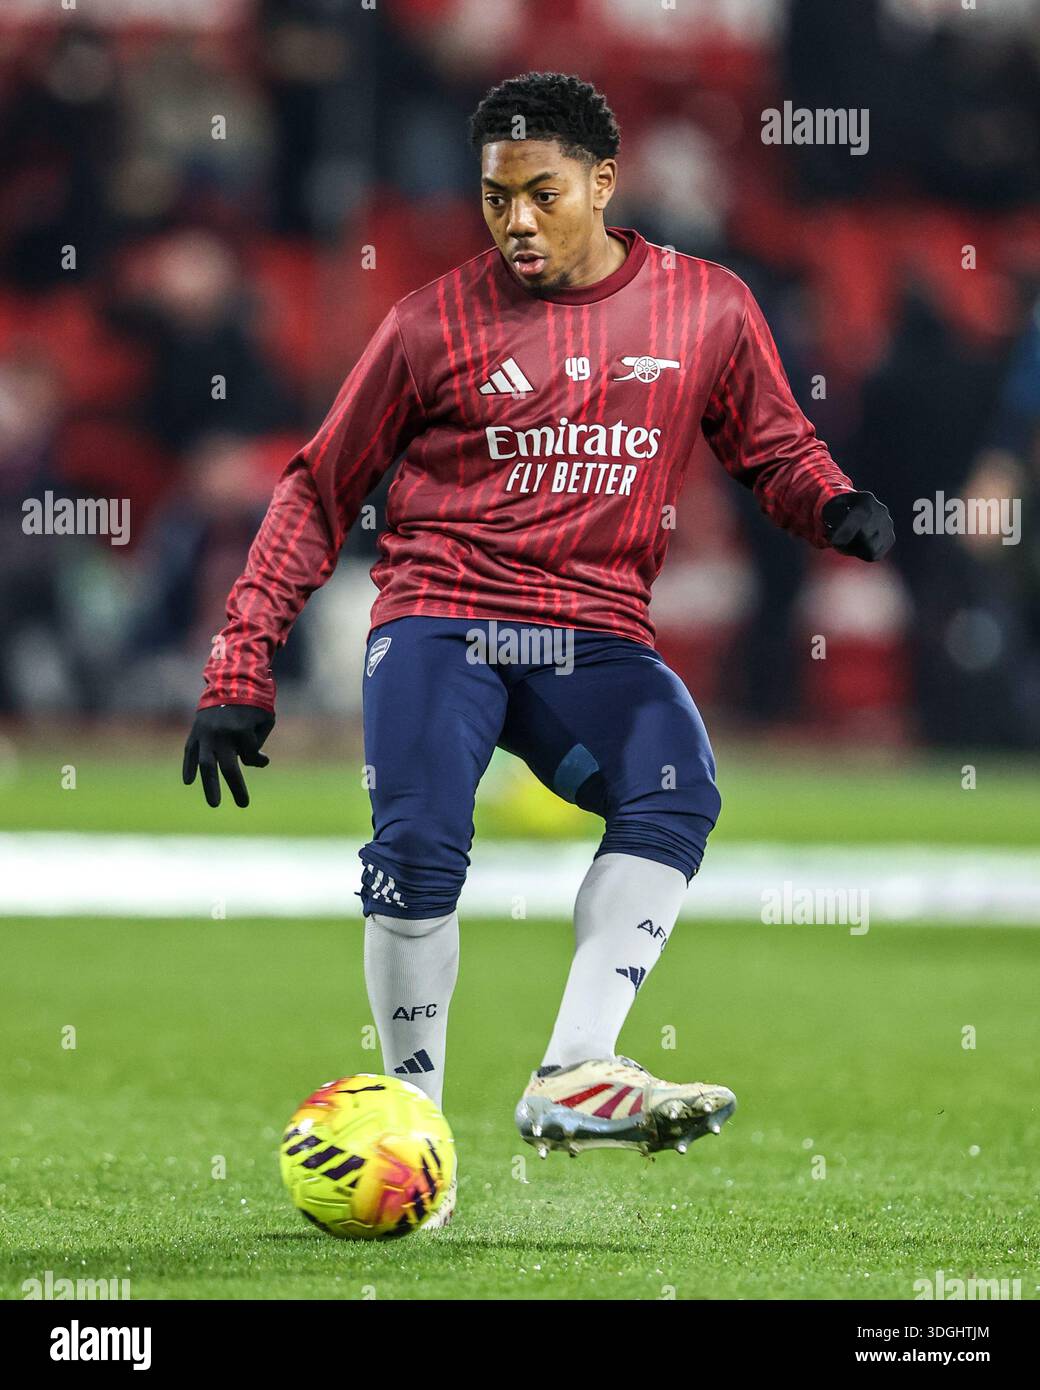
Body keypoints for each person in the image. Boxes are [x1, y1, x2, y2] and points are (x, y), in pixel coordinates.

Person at [182, 72, 894, 1227]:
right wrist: (239, 662)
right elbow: (318, 488)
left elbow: (772, 443)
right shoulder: (427, 323)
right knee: (416, 851)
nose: (514, 220)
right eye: (494, 196)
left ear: (604, 186)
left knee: (676, 790)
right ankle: (414, 1126)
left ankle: (573, 1070)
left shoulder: (706, 306)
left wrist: (828, 502)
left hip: (592, 628)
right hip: (443, 612)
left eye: (542, 194)